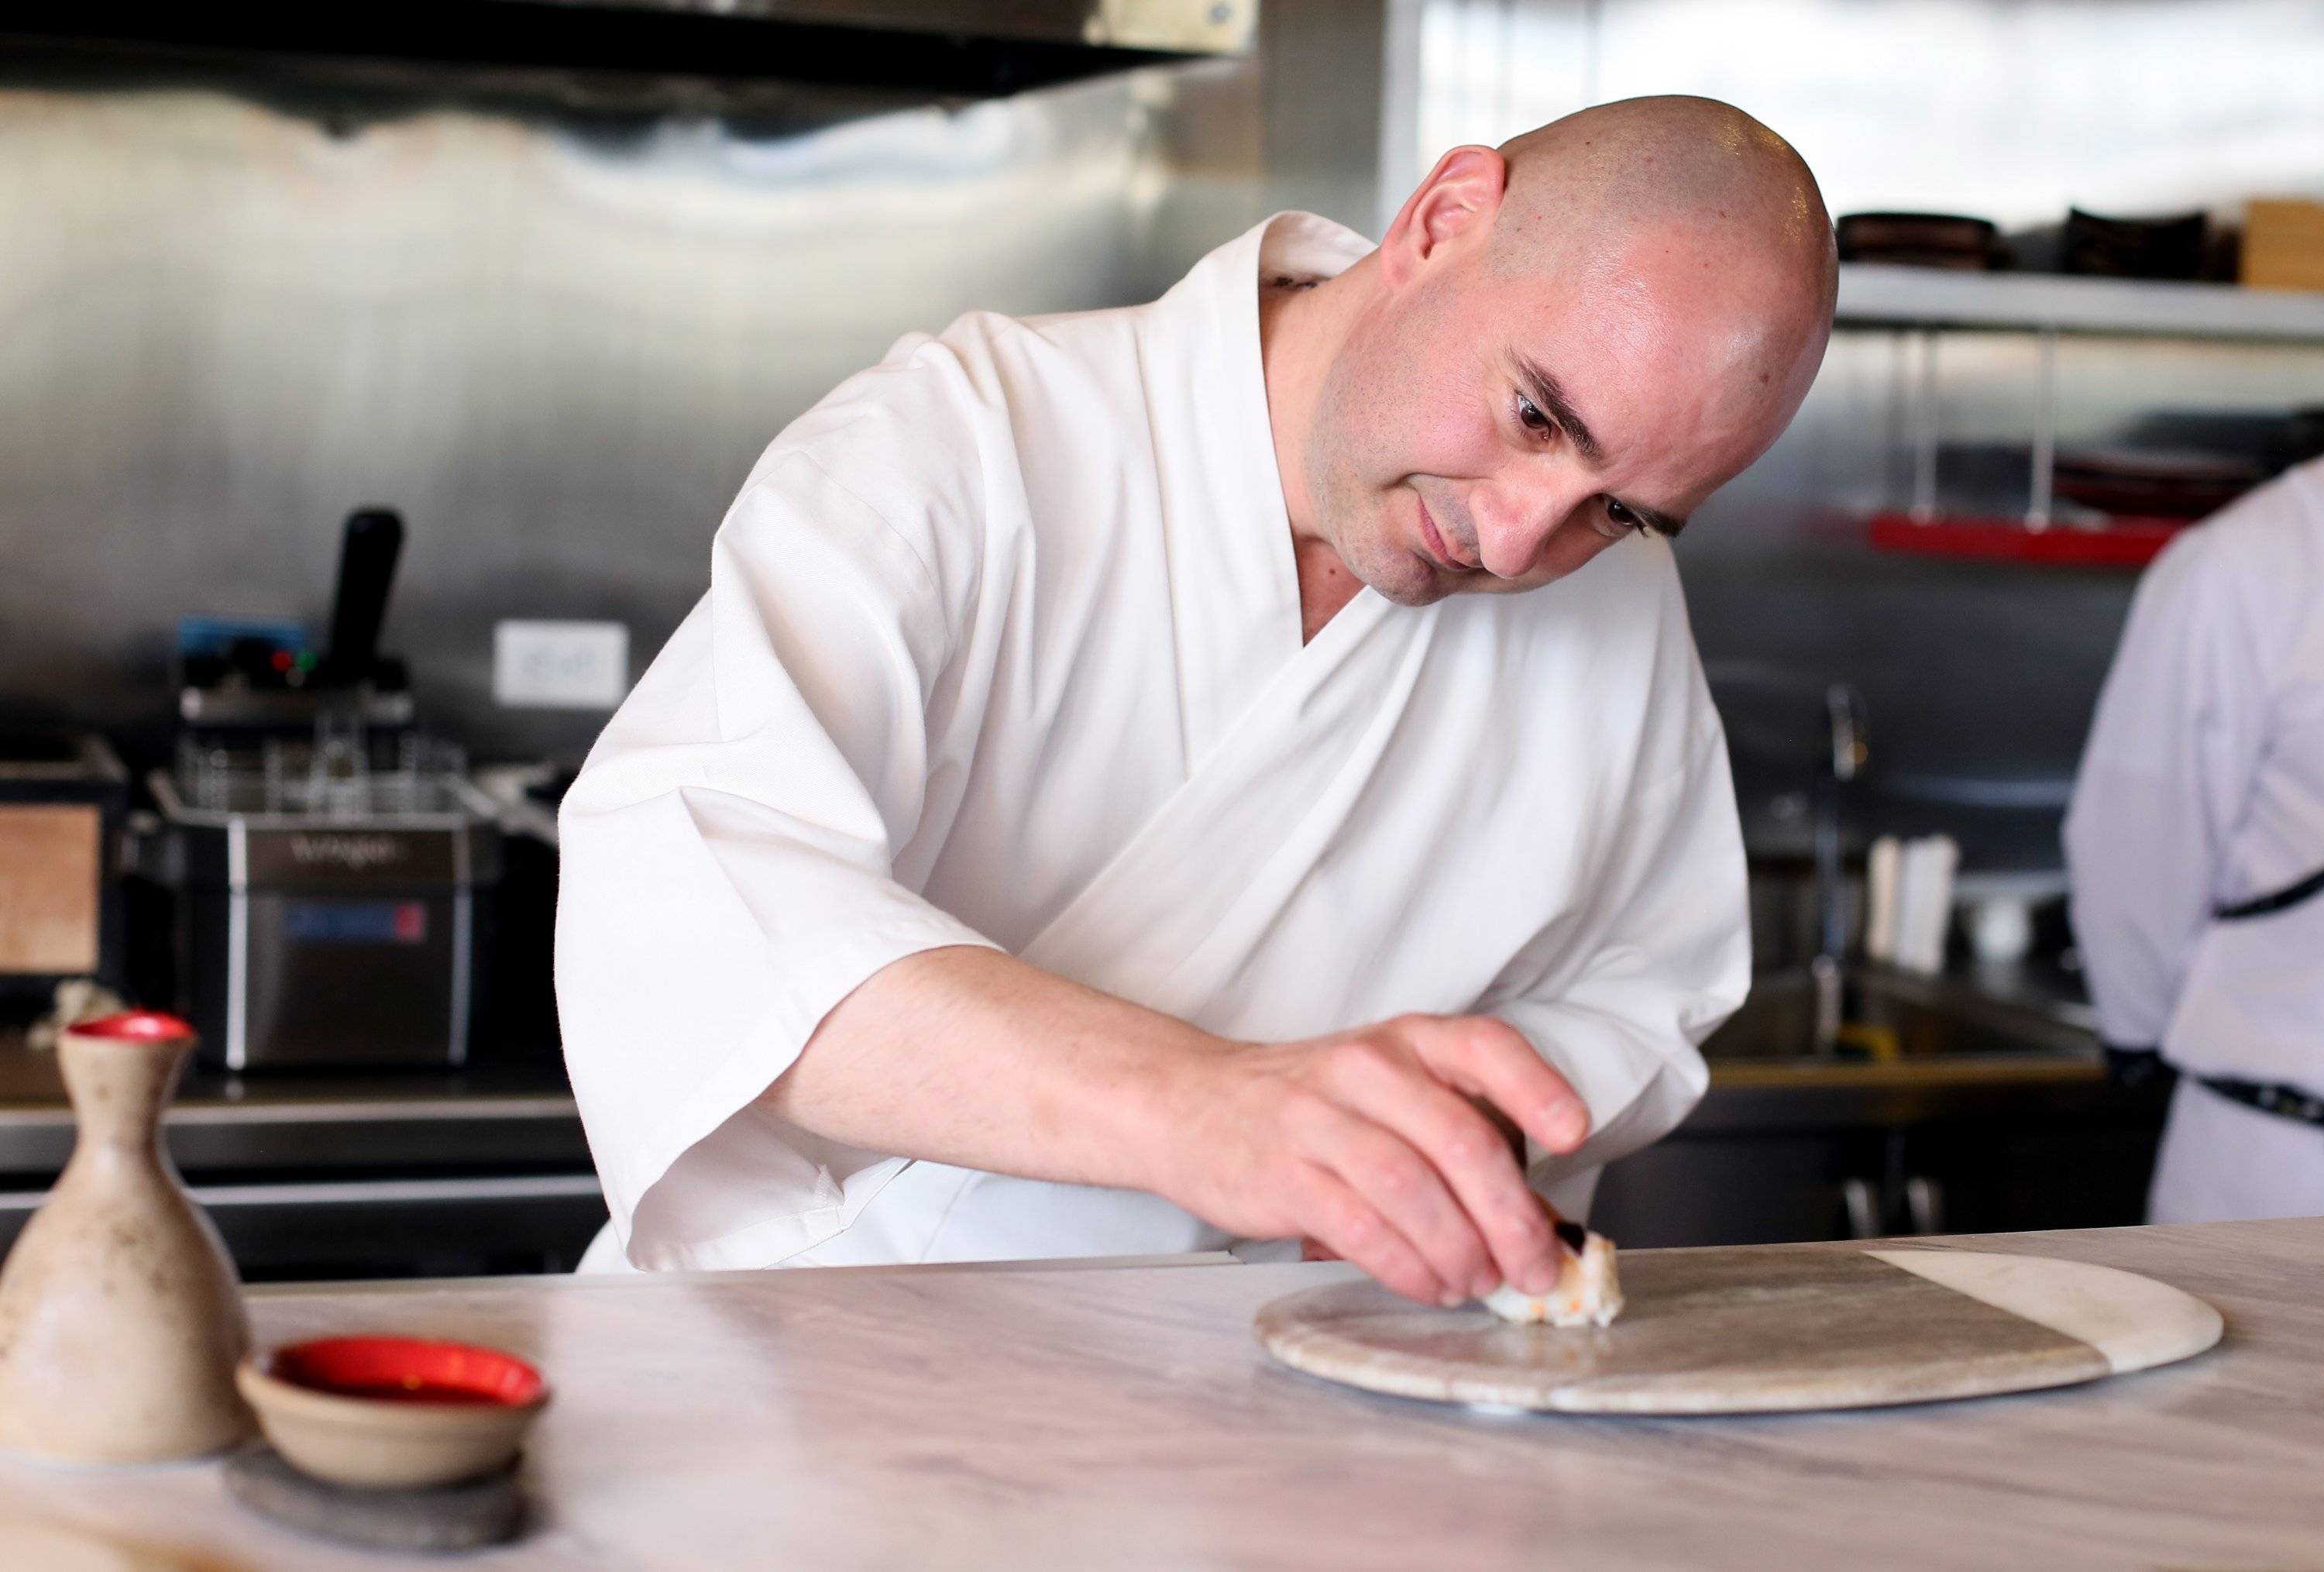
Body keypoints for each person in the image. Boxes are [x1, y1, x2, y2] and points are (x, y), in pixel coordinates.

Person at [556, 95, 1838, 1305]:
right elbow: (694, 900)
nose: (1515, 542)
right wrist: (1205, 1106)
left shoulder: (1614, 594)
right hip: (818, 1373)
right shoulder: (969, 443)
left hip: (1265, 1421)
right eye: (1532, 413)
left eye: (1619, 509)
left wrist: (1416, 1139)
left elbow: (1637, 987)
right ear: (1441, 221)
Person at [2065, 455, 2324, 1223]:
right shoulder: (2253, 562)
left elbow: (2138, 841)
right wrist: (2138, 1028)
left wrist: (2136, 1031)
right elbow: (2138, 844)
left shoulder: (2255, 561)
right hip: (2279, 1168)